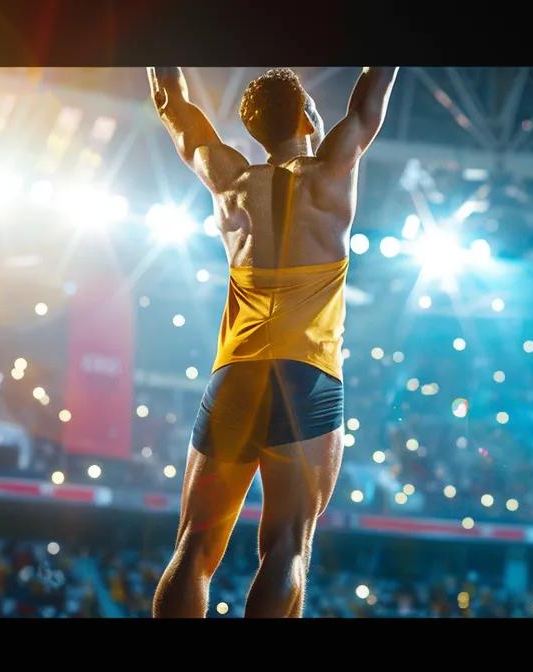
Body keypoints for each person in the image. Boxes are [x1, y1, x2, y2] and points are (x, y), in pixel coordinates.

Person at [146, 66, 397, 618]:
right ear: (309, 115)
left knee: (193, 548)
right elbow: (368, 101)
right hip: (306, 377)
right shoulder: (332, 172)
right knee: (287, 545)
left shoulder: (228, 179)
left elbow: (170, 101)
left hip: (235, 373)